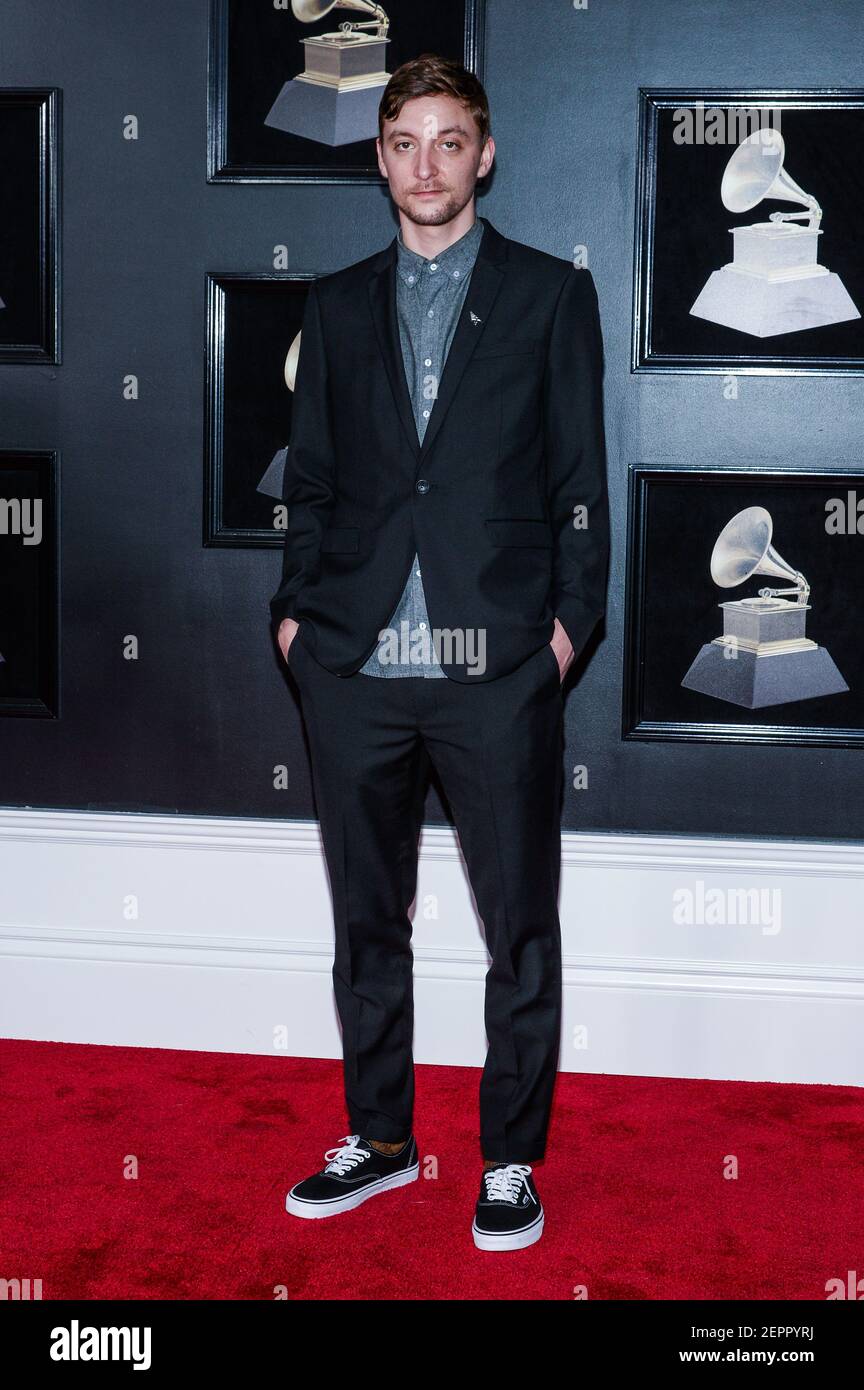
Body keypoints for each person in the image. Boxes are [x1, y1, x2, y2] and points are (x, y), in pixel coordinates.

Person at [270, 52, 609, 1251]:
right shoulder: (335, 302)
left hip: (495, 663)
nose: (427, 162)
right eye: (404, 140)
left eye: (448, 140)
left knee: (519, 924)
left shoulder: (548, 296)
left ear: (485, 153)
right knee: (369, 919)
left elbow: (578, 486)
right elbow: (310, 485)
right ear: (378, 159)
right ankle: (382, 1136)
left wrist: (564, 631)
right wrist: (297, 616)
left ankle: (509, 1156)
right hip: (355, 664)